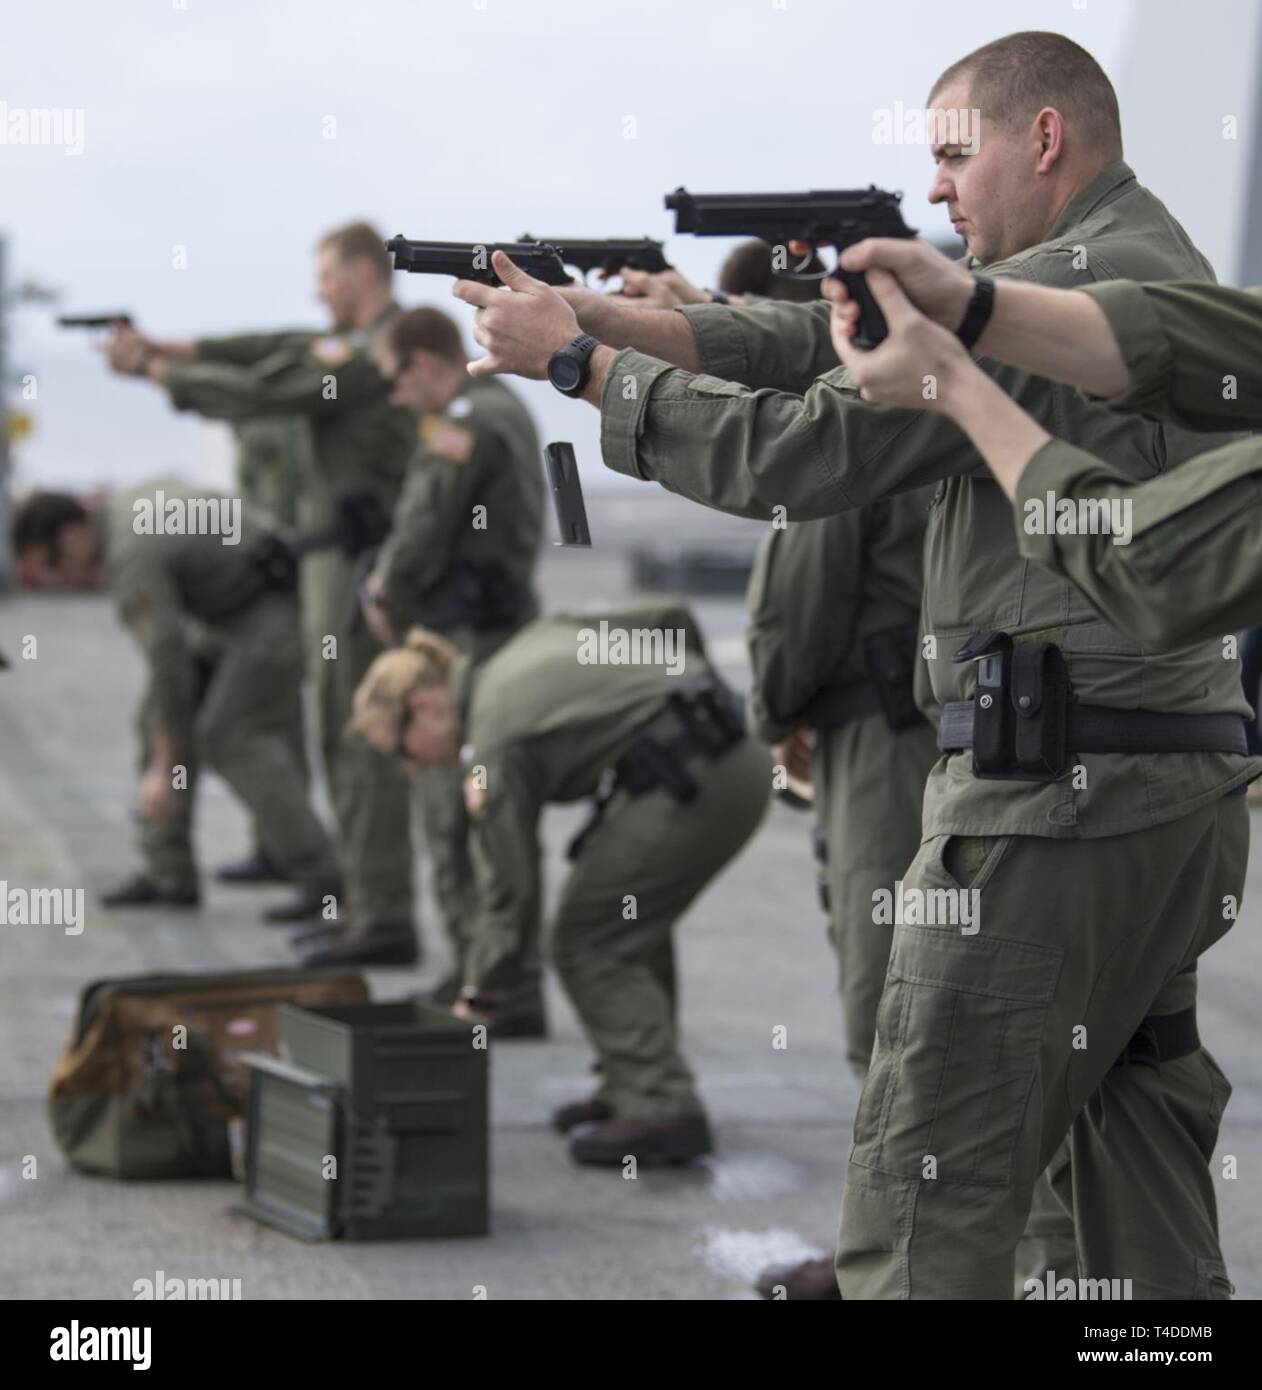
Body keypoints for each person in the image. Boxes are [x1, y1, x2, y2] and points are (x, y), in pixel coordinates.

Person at [459, 31, 1256, 1298]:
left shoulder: (1065, 278)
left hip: (1046, 805)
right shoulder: (1137, 265)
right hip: (1164, 790)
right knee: (1128, 1183)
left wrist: (581, 367)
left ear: (1039, 139)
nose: (935, 190)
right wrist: (634, 320)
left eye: (952, 154)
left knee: (923, 1184)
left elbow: (811, 450)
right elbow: (846, 348)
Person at [100, 221, 418, 958]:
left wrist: (155, 372)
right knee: (345, 733)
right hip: (338, 560)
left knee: (362, 735)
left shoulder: (372, 353)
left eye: (328, 276)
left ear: (365, 273)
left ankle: (384, 914)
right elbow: (260, 348)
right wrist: (169, 347)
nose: (318, 291)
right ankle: (366, 906)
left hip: (358, 562)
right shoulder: (356, 344)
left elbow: (260, 392)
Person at [350, 611, 771, 1164]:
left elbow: (510, 885)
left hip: (701, 776)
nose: (412, 769)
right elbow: (670, 616)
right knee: (624, 916)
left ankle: (662, 1105)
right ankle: (630, 1084)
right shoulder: (528, 642)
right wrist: (691, 686)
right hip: (727, 744)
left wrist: (482, 991)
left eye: (402, 751)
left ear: (424, 707)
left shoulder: (491, 748)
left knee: (584, 937)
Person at [300, 306, 545, 998]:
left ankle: (490, 978)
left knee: (456, 814)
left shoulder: (464, 420)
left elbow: (423, 522)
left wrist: (383, 591)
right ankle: (494, 972)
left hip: (463, 642)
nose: (396, 398)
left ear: (426, 362)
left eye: (397, 382)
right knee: (491, 816)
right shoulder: (502, 406)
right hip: (495, 630)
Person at [11, 483, 340, 913]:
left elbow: (167, 659)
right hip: (237, 605)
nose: (59, 577)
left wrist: (166, 767)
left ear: (72, 535)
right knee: (160, 717)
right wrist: (165, 739)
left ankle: (323, 873)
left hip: (268, 610)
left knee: (231, 734)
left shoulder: (130, 556)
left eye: (53, 563)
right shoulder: (126, 508)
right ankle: (170, 872)